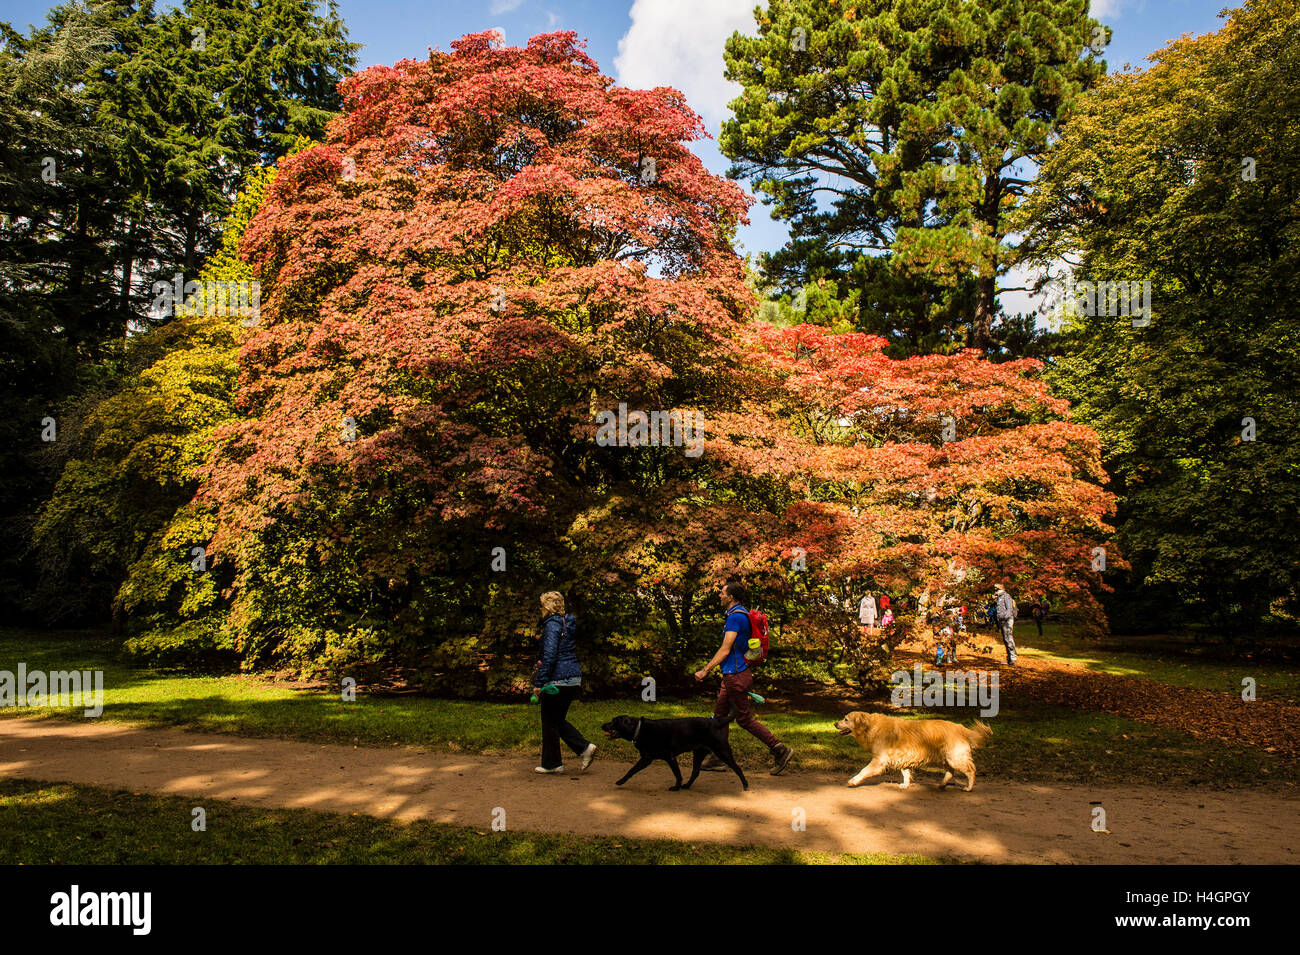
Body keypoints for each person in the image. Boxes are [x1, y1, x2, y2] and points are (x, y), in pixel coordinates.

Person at [695, 580, 794, 775]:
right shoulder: (739, 614)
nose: (719, 596)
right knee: (720, 717)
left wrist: (705, 670)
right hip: (733, 674)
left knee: (744, 719)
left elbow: (725, 649)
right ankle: (719, 757)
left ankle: (780, 750)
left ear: (731, 597)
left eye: (722, 593)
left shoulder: (735, 618)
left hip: (735, 675)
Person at [532, 591, 597, 774]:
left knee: (550, 720)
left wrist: (540, 682)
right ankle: (554, 762)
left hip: (558, 680)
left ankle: (582, 748)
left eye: (541, 606)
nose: (540, 610)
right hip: (572, 678)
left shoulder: (552, 625)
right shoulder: (566, 624)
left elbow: (550, 655)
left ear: (546, 607)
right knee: (555, 720)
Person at [994, 582, 1018, 666]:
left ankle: (1013, 659)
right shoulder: (999, 598)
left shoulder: (1006, 596)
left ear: (1000, 589)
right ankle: (1009, 659)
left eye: (996, 589)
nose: (995, 591)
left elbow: (1009, 609)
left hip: (1007, 620)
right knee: (1005, 639)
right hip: (1002, 620)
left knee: (1009, 638)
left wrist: (1004, 618)